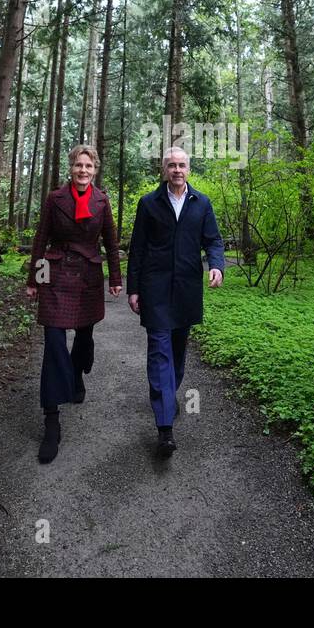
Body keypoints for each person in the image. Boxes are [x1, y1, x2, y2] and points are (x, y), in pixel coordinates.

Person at [126, 146, 225, 458]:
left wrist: (217, 265)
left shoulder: (202, 203)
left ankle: (169, 393)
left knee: (178, 351)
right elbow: (137, 248)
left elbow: (213, 240)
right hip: (155, 289)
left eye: (182, 165)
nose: (177, 170)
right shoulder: (149, 203)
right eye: (172, 165)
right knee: (159, 353)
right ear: (164, 170)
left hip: (186, 289)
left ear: (189, 170)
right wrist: (134, 288)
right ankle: (164, 426)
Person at [26, 145, 122, 464]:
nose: (83, 170)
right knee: (54, 341)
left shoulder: (102, 200)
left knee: (84, 336)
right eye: (78, 165)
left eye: (88, 165)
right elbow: (41, 238)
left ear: (95, 169)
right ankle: (52, 422)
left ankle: (78, 371)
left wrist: (115, 279)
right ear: (71, 168)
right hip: (55, 273)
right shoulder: (55, 199)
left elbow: (110, 241)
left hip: (88, 276)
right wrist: (33, 279)